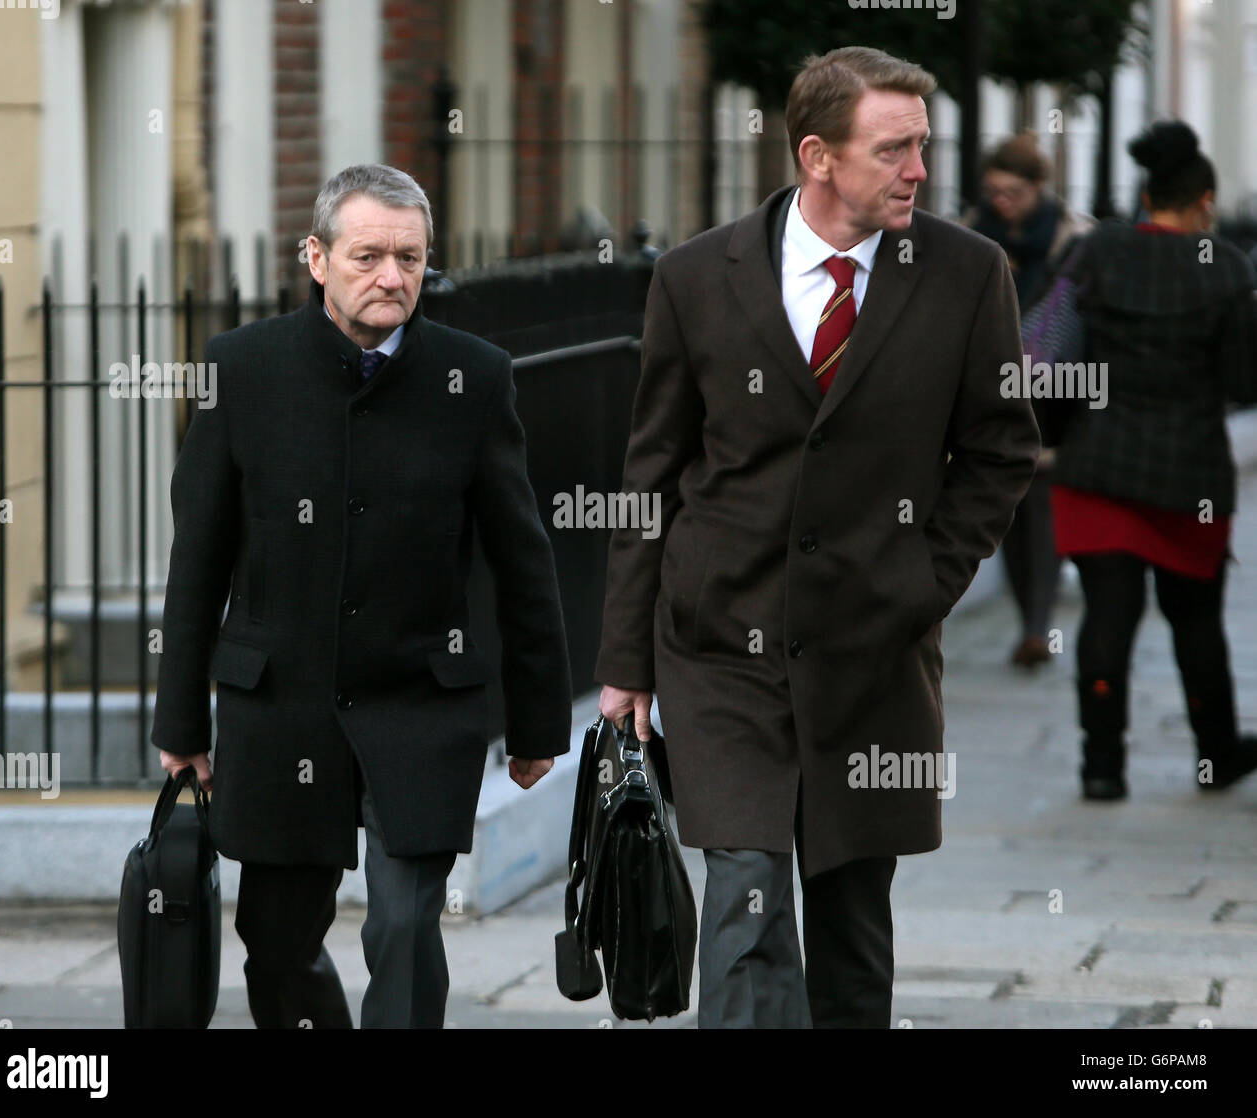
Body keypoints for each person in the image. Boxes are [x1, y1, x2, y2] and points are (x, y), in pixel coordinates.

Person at [594, 47, 1039, 1029]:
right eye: (893, 150)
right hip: (720, 641)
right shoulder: (695, 276)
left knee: (848, 919)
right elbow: (650, 474)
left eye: (921, 146)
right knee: (746, 890)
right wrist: (624, 657)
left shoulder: (966, 274)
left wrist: (921, 581)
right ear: (817, 156)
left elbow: (1002, 450)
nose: (918, 171)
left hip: (870, 648)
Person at [150, 164, 573, 1028]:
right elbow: (199, 558)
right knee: (275, 939)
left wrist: (537, 726)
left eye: (410, 259)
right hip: (279, 706)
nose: (392, 277)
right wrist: (181, 725)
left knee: (409, 926)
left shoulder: (475, 377)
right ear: (316, 257)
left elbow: (522, 560)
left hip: (421, 705)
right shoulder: (242, 368)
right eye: (369, 256)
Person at [1048, 121, 1257, 800]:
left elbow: (1046, 346)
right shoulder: (1226, 266)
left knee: (1107, 616)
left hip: (1097, 464)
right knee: (1196, 619)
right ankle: (1218, 754)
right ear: (1204, 202)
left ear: (1145, 193)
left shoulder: (1099, 249)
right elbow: (1243, 382)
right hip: (1189, 472)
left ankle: (1101, 767)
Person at [966, 135, 1095, 668]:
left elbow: (1088, 316)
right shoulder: (972, 235)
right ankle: (1029, 619)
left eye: (1013, 191)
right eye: (995, 190)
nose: (1003, 201)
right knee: (1012, 512)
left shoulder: (1076, 237)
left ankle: (1038, 627)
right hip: (993, 390)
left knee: (1041, 504)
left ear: (1038, 187)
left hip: (1056, 395)